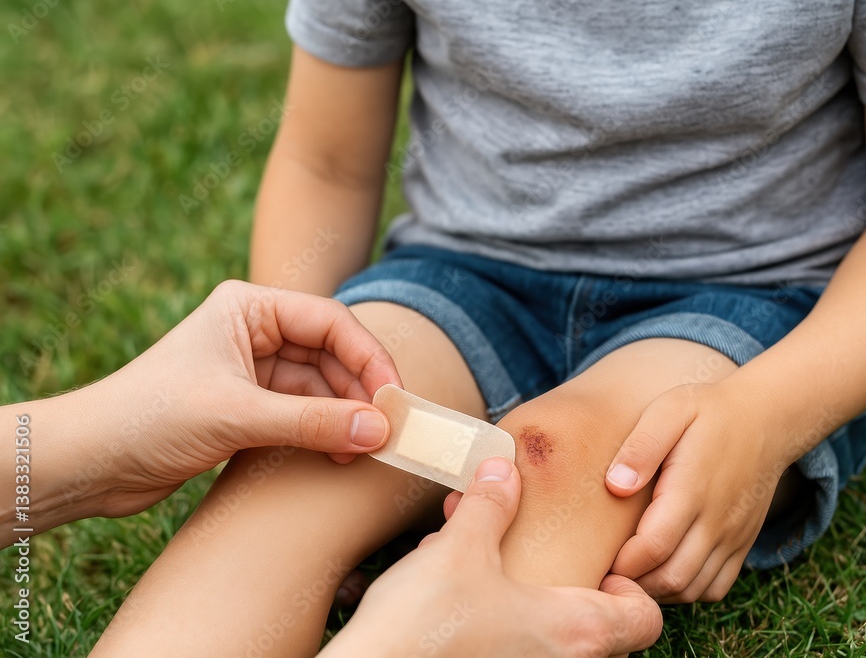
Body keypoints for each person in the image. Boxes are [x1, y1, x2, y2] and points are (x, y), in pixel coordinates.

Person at [96, 0, 866, 655]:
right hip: (461, 274)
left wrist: (766, 416)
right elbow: (326, 161)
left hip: (746, 300)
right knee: (298, 472)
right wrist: (298, 351)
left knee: (561, 460)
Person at [1, 280, 661, 657]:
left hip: (694, 305)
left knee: (552, 463)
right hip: (450, 285)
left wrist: (750, 409)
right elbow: (326, 164)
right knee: (283, 495)